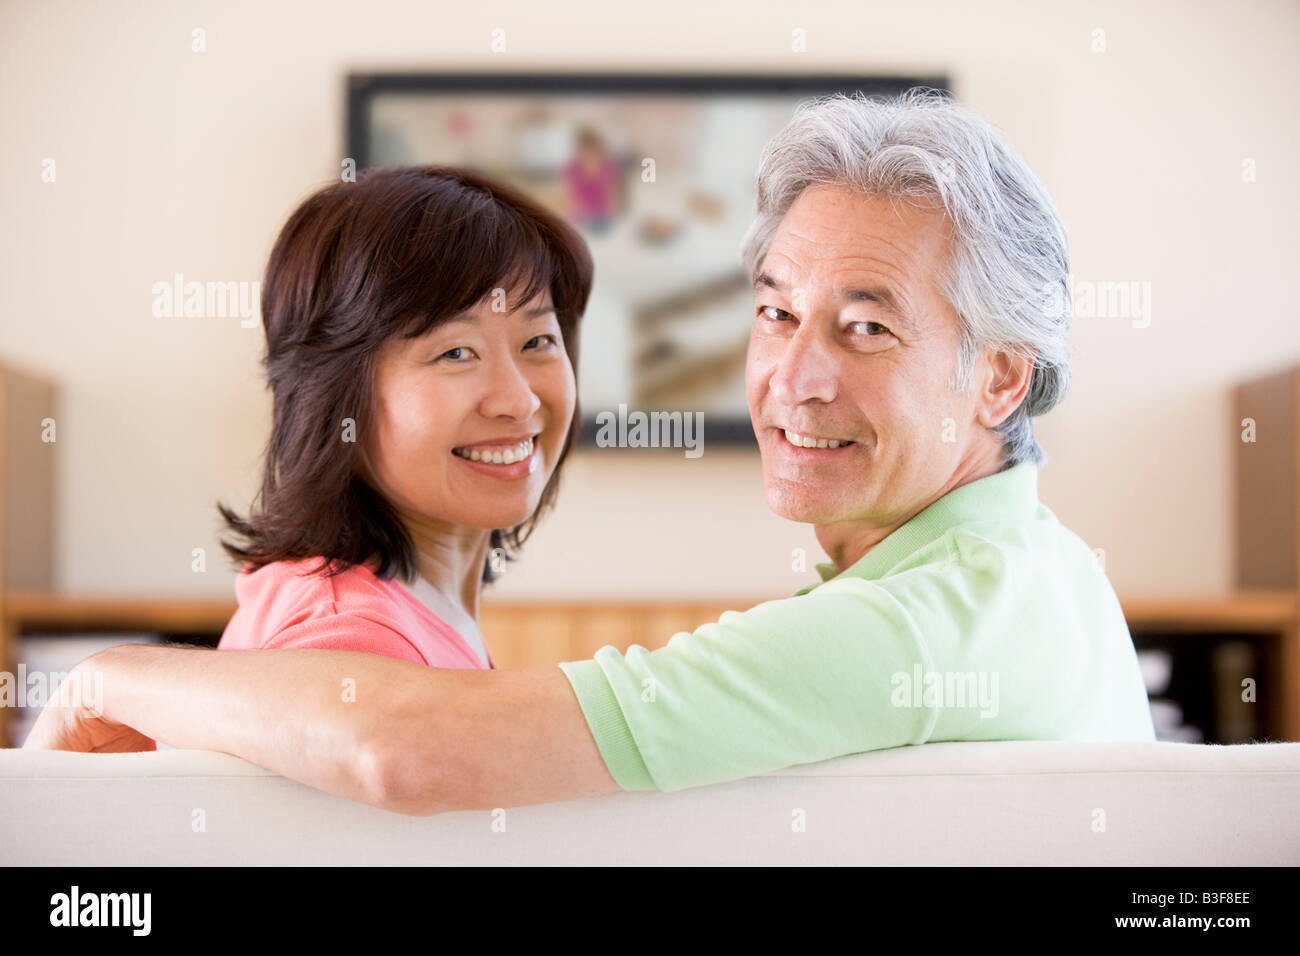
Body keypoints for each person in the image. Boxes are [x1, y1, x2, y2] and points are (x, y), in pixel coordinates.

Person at [25, 90, 1155, 815]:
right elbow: (399, 748)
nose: (794, 376)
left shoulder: (933, 617)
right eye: (774, 313)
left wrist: (114, 674)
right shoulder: (1021, 575)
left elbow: (410, 747)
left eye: (865, 326)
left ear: (1001, 376)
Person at [211, 165, 592, 671]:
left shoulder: (402, 609)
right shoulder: (353, 644)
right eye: (456, 352)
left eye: (537, 341)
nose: (518, 401)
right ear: (336, 393)